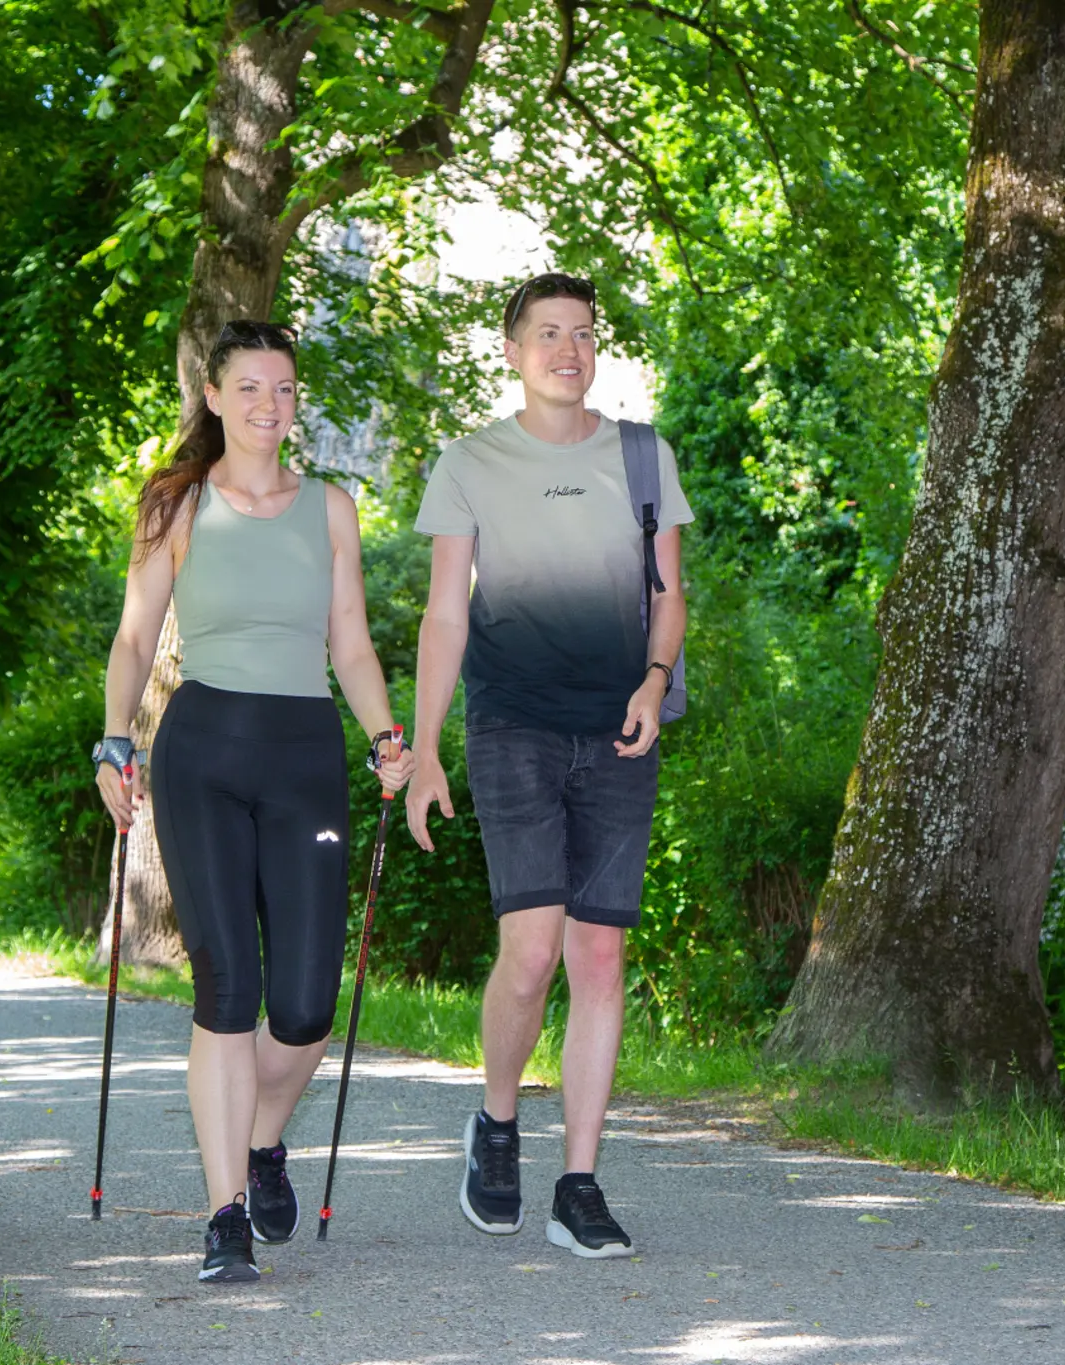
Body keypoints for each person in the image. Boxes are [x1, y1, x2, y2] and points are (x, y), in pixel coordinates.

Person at [95, 320, 414, 1284]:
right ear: (216, 394)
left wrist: (387, 736)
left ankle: (263, 1141)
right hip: (202, 753)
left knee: (308, 1004)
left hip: (305, 752)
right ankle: (224, 1212)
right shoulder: (178, 503)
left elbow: (351, 643)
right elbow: (134, 636)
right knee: (228, 990)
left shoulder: (330, 508)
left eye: (283, 389)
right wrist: (116, 740)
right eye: (249, 388)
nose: (268, 405)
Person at [405, 272, 690, 1259]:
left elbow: (667, 595)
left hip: (620, 729)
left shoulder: (643, 458)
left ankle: (578, 1181)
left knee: (597, 953)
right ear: (512, 351)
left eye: (582, 333)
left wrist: (654, 683)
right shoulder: (469, 462)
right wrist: (425, 744)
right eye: (547, 334)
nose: (568, 350)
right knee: (528, 953)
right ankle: (493, 1120)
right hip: (512, 725)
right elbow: (444, 613)